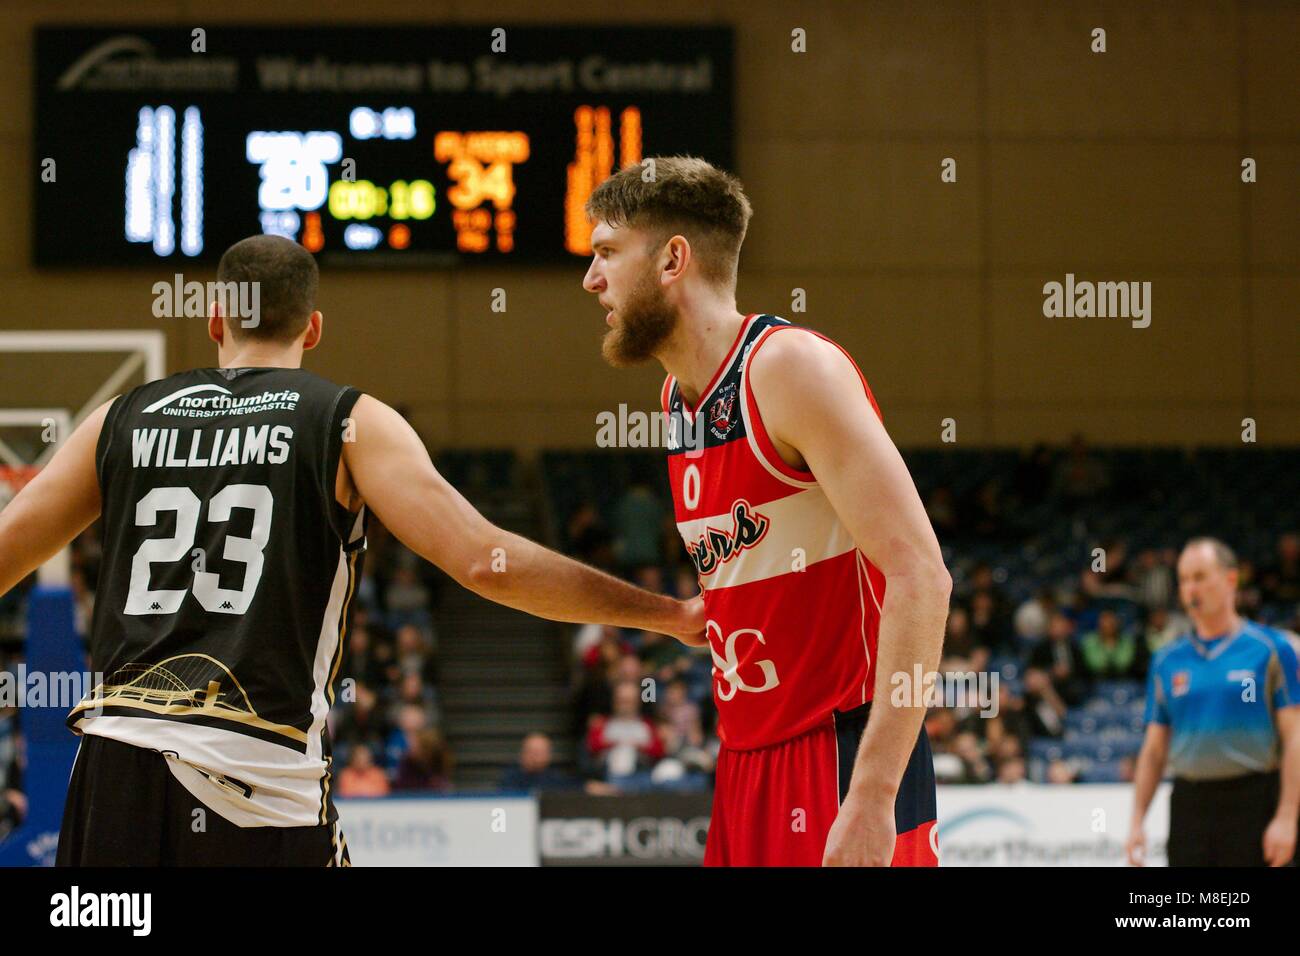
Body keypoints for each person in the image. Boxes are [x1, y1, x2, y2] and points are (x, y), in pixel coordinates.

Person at [0, 234, 705, 867]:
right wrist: (668, 612)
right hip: (254, 774)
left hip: (112, 769)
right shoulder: (346, 421)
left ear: (215, 321)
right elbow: (483, 559)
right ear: (312, 329)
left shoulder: (118, 420)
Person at [582, 156, 949, 866]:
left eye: (605, 253)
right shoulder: (676, 402)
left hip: (837, 751)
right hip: (746, 756)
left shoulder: (789, 369)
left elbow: (923, 578)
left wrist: (873, 797)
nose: (591, 279)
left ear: (672, 260)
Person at [1127, 538, 1300, 867]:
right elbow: (1154, 749)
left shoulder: (1272, 649)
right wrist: (1137, 821)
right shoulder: (1166, 660)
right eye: (1184, 579)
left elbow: (1295, 738)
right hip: (1190, 804)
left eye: (1200, 577)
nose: (1191, 588)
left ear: (1230, 580)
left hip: (1257, 799)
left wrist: (1288, 817)